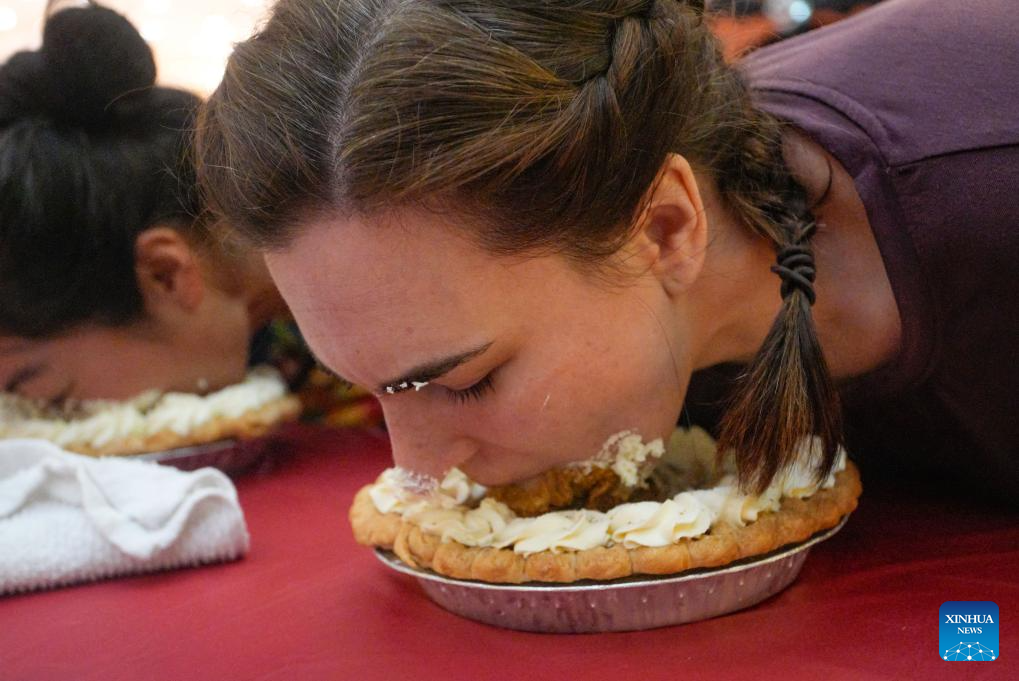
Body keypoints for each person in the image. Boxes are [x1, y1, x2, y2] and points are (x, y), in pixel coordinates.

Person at [194, 0, 1018, 499]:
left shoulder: (981, 189)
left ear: (665, 228)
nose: (417, 473)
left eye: (467, 383)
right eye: (373, 392)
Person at [0, 2, 380, 428]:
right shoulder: (253, 332)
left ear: (166, 274)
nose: (29, 424)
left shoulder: (394, 254)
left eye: (36, 393)